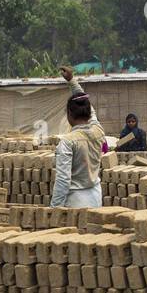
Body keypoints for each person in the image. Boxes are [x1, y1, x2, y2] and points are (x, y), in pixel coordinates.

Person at [50, 67, 106, 208]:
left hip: (76, 200)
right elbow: (88, 107)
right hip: (95, 196)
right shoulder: (98, 131)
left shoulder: (68, 142)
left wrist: (53, 210)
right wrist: (71, 80)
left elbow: (63, 180)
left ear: (69, 114)